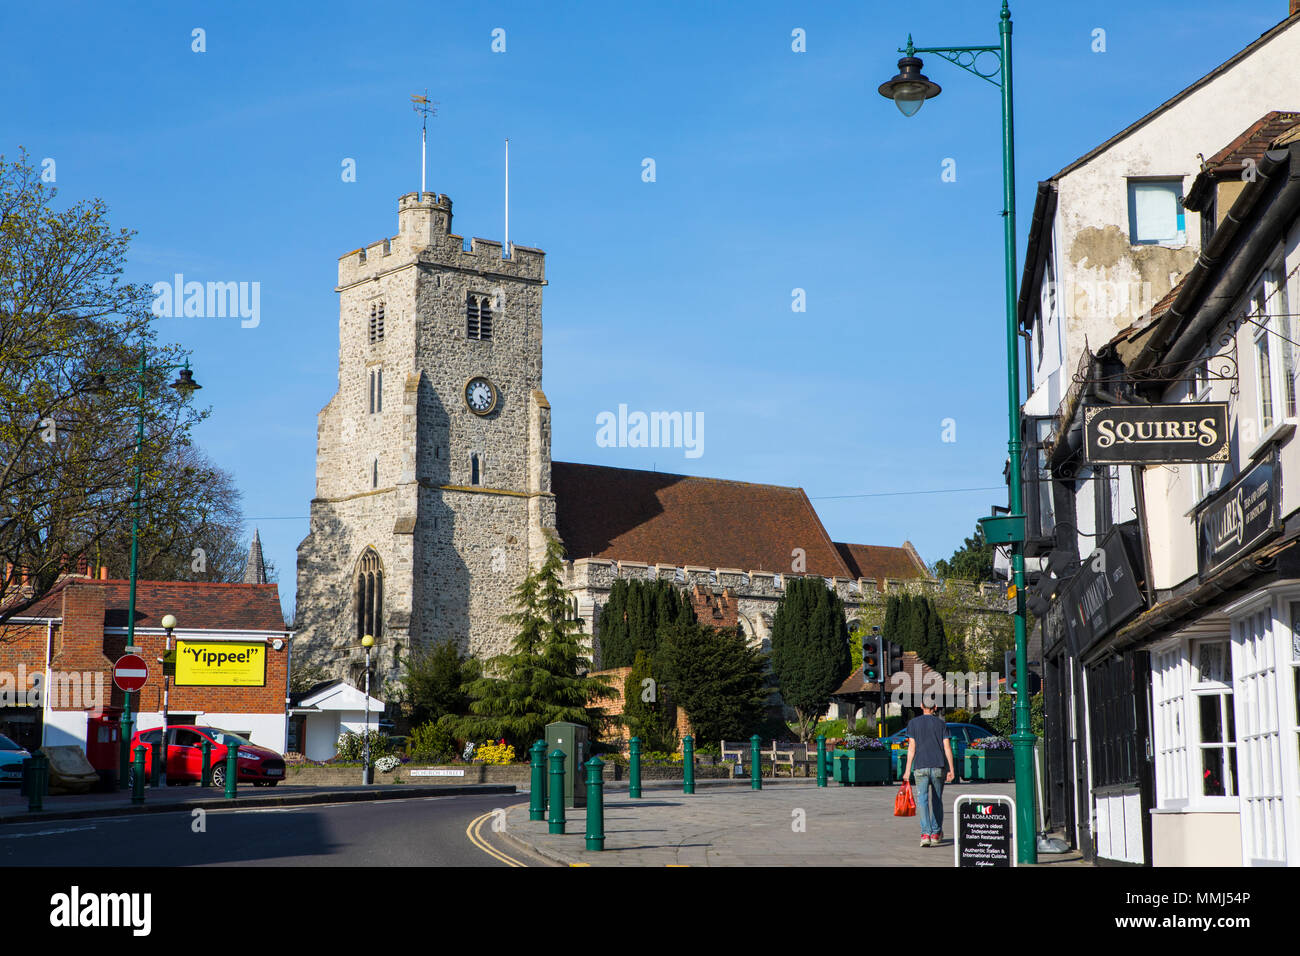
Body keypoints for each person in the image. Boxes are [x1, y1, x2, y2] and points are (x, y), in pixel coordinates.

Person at [902, 704, 955, 847]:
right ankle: (936, 833)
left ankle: (925, 834)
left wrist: (907, 770)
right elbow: (947, 748)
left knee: (923, 800)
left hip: (920, 766)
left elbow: (911, 748)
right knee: (937, 800)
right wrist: (951, 769)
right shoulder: (941, 724)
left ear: (921, 706)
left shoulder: (913, 723)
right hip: (938, 766)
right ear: (935, 707)